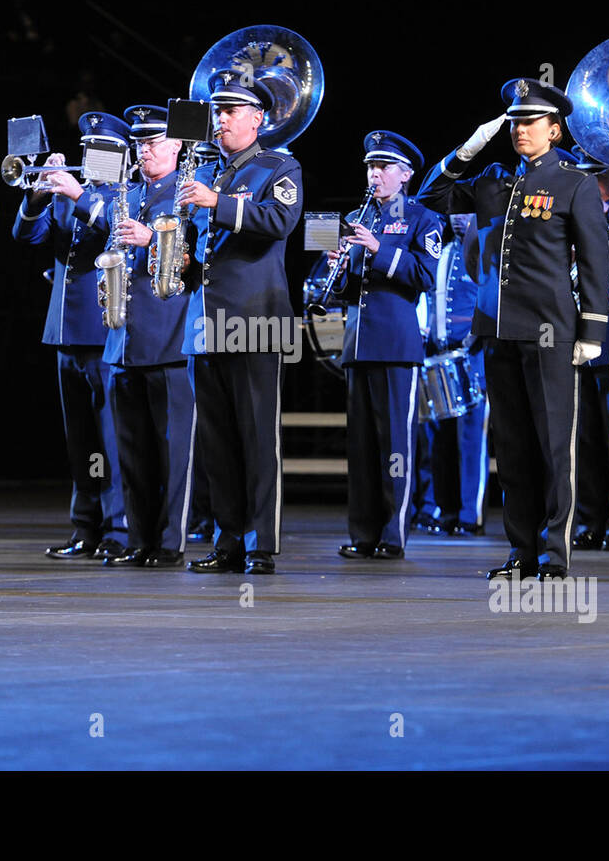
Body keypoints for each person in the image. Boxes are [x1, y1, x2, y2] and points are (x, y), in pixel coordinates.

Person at [419, 79, 609, 581]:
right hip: (499, 332)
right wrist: (472, 144)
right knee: (513, 448)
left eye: (530, 122)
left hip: (551, 332)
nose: (520, 129)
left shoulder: (574, 183)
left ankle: (554, 554)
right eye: (514, 122)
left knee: (553, 446)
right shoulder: (494, 178)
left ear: (555, 128)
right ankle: (521, 552)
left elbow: (594, 263)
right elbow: (430, 195)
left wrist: (592, 330)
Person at [181, 70, 304, 575]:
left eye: (232, 111)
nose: (221, 119)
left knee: (257, 437)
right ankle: (228, 540)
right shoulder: (209, 169)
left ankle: (260, 545)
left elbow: (280, 223)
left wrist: (219, 204)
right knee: (218, 439)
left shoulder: (280, 166)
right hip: (206, 320)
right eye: (218, 111)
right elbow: (200, 247)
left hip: (257, 319)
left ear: (258, 119)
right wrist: (177, 257)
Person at [12, 111, 129, 560]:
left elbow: (111, 231)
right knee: (80, 439)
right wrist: (38, 196)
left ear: (118, 155)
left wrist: (77, 192)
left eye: (98, 149)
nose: (88, 156)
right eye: (87, 149)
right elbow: (25, 237)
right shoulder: (66, 194)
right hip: (65, 332)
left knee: (112, 439)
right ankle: (86, 527)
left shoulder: (123, 194)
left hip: (105, 332)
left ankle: (119, 528)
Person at [331, 131, 440, 559]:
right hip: (358, 344)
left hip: (396, 345)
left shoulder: (421, 218)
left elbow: (425, 276)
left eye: (384, 167)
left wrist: (378, 250)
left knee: (396, 443)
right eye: (371, 167)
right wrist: (336, 266)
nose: (375, 174)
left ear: (406, 174)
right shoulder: (359, 217)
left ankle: (392, 536)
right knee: (360, 447)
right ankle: (363, 534)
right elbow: (343, 290)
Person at [98, 104, 197, 566]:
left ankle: (171, 542)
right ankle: (139, 539)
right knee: (132, 452)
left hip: (169, 340)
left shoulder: (188, 194)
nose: (146, 150)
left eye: (155, 141)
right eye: (140, 143)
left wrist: (150, 240)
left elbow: (193, 260)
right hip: (125, 340)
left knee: (171, 452)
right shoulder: (129, 192)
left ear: (177, 145)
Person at [569, 145, 609, 552]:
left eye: (592, 176)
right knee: (585, 439)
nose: (584, 184)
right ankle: (590, 519)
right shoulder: (571, 219)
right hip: (574, 339)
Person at [421, 212, 489, 537]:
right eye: (456, 213)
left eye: (467, 212)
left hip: (471, 356)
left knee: (471, 437)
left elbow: (489, 303)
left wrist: (472, 342)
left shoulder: (486, 251)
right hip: (439, 355)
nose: (459, 220)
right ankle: (444, 509)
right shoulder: (444, 250)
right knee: (440, 436)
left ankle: (469, 514)